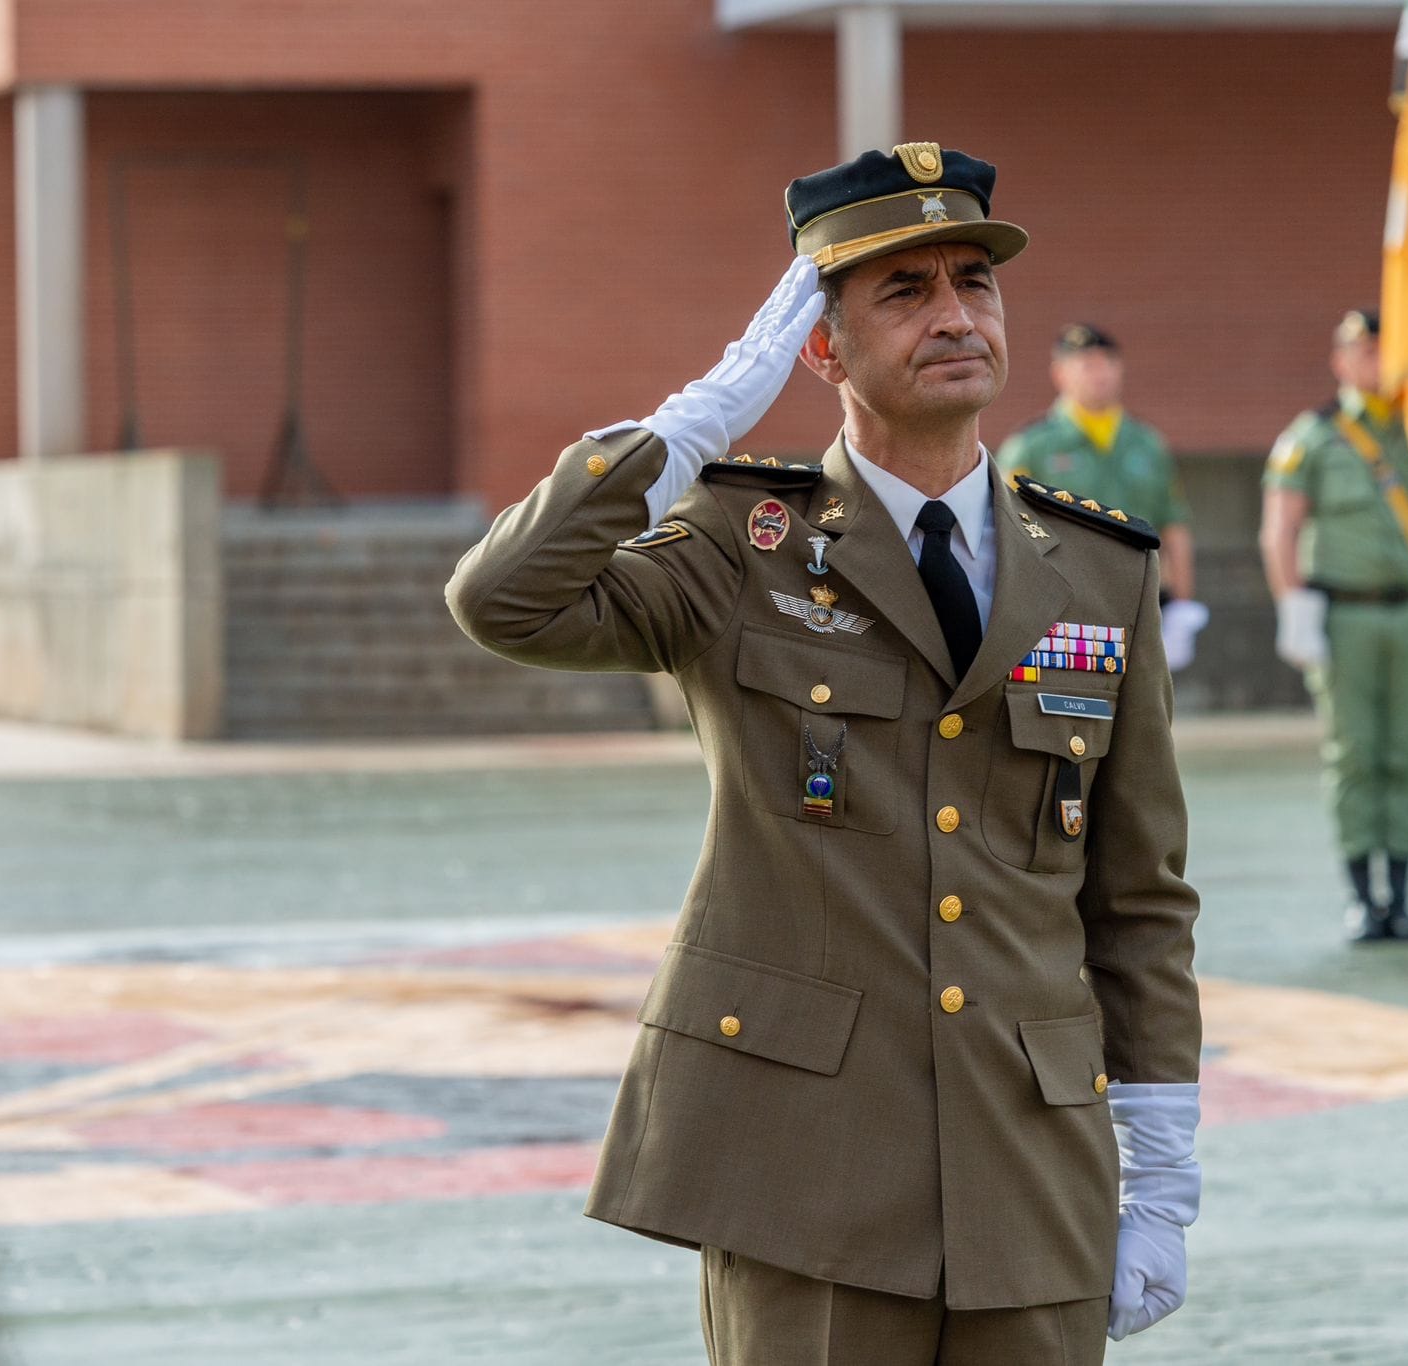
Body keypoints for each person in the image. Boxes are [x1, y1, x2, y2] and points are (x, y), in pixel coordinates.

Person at [447, 142, 1202, 1365]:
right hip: (805, 1176)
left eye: (975, 281)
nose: (956, 315)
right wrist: (686, 429)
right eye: (903, 292)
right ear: (819, 346)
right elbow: (503, 600)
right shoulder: (737, 544)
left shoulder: (1096, 571)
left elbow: (1137, 897)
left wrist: (1160, 1158)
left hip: (1033, 1176)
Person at [1261, 309, 1408, 945]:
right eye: (1362, 351)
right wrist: (1295, 609)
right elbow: (1280, 529)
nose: (1374, 362)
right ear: (1340, 362)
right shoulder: (1314, 437)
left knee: (1404, 758)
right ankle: (1362, 895)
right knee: (1354, 758)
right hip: (1346, 616)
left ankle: (1400, 894)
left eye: (1384, 351)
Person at [999, 325, 1207, 669]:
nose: (1100, 374)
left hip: (1142, 598)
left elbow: (1173, 523)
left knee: (1144, 714)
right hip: (1066, 603)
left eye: (1108, 363)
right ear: (1060, 373)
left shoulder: (1147, 444)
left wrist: (1182, 604)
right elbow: (1008, 528)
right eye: (1086, 364)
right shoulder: (1032, 447)